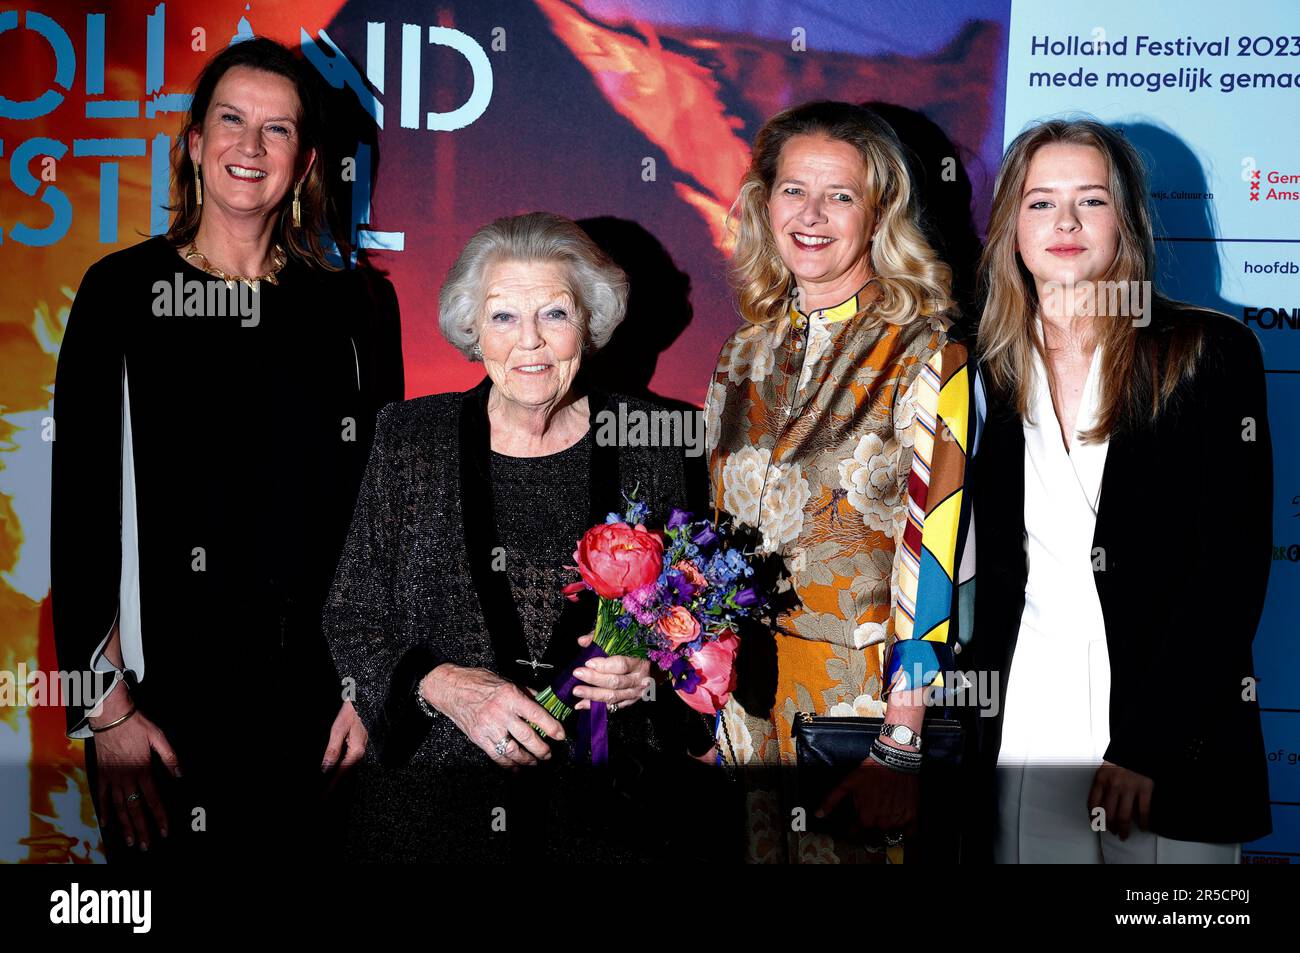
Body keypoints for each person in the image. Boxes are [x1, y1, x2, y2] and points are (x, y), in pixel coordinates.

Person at [50, 37, 399, 861]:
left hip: (323, 711)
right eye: (231, 121)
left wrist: (370, 684)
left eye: (276, 130)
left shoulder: (356, 307)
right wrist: (106, 707)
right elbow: (80, 502)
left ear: (306, 160)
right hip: (165, 713)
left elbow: (389, 507)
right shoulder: (121, 293)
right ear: (195, 143)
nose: (250, 147)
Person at [323, 211, 722, 862]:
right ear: (472, 328)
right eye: (504, 316)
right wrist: (444, 684)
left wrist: (653, 668)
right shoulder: (410, 438)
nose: (529, 342)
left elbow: (698, 617)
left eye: (555, 314)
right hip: (432, 819)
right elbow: (352, 615)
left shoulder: (659, 442)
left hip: (608, 818)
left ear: (590, 323)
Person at [968, 119, 1272, 863]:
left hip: (1173, 730)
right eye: (1040, 202)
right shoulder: (982, 369)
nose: (1065, 222)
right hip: (1029, 722)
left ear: (1126, 221)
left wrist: (1150, 742)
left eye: (1090, 200)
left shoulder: (1207, 352)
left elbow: (1229, 572)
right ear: (1011, 225)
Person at [705, 101, 974, 863]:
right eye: (793, 190)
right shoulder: (739, 354)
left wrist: (900, 742)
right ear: (764, 202)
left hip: (858, 712)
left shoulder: (929, 350)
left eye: (841, 195)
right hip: (747, 712)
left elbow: (934, 559)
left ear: (879, 212)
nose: (812, 215)